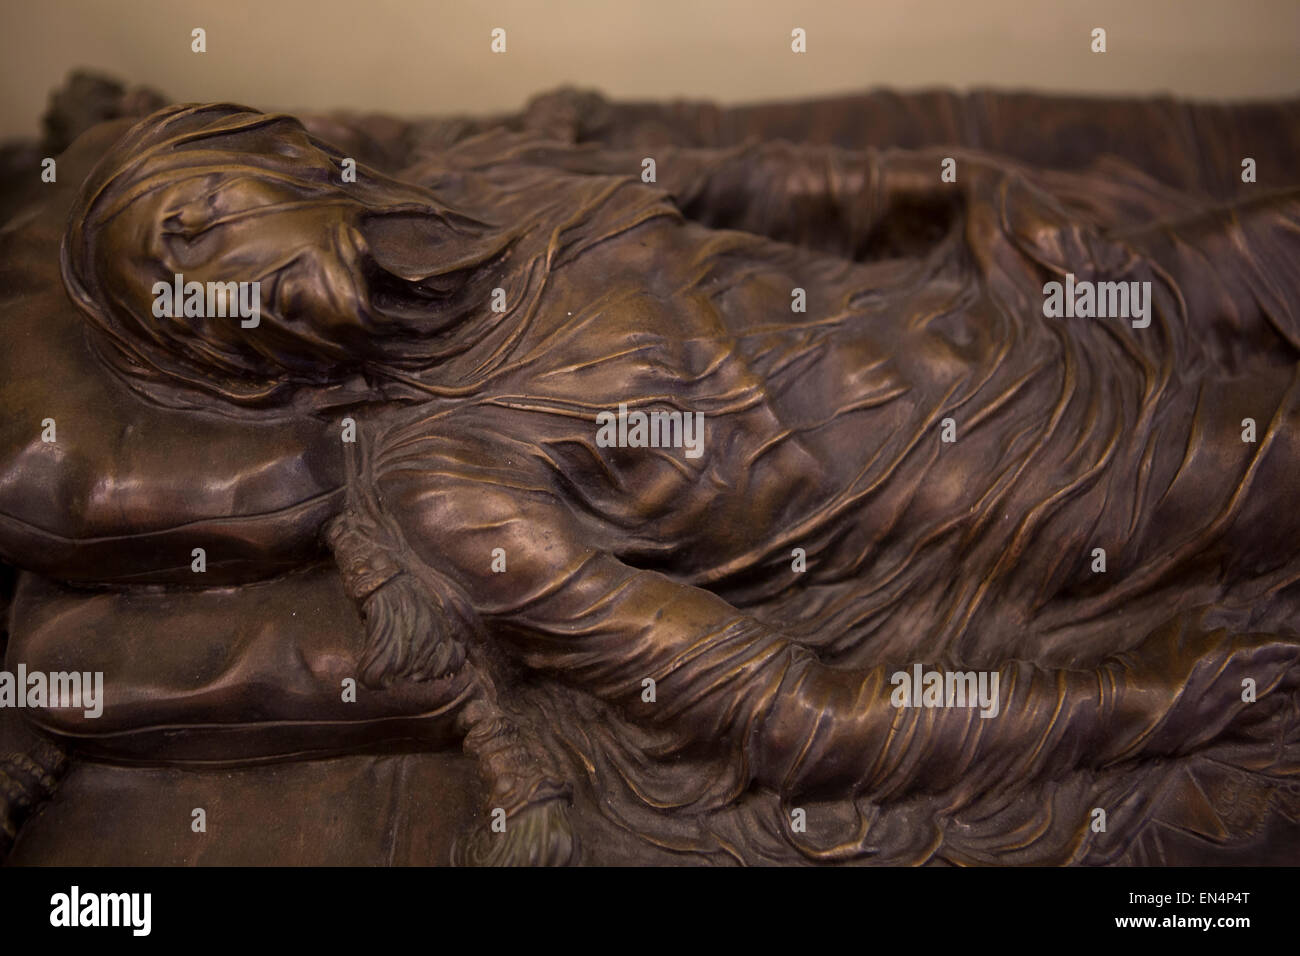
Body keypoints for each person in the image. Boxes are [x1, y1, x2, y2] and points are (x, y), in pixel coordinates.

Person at [59, 104, 1300, 864]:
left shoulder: (519, 176)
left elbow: (778, 179)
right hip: (1088, 490)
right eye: (175, 307)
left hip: (1056, 293)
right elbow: (799, 717)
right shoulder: (449, 486)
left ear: (280, 152)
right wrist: (1154, 691)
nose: (204, 287)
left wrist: (971, 184)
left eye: (194, 223)